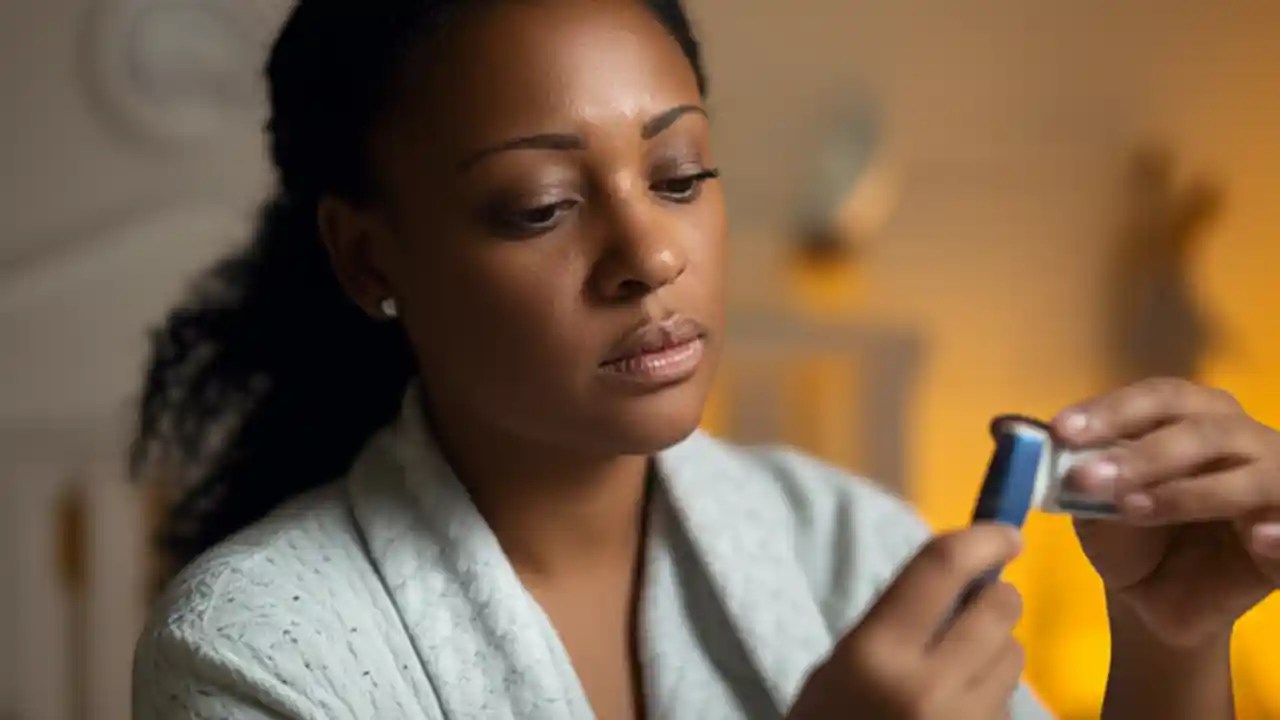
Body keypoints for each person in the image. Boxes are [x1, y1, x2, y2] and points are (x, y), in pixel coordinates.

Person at [130, 1, 1280, 718]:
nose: (649, 256)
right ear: (367, 255)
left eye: (678, 177)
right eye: (540, 206)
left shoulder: (846, 546)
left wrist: (1167, 646)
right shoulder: (253, 651)